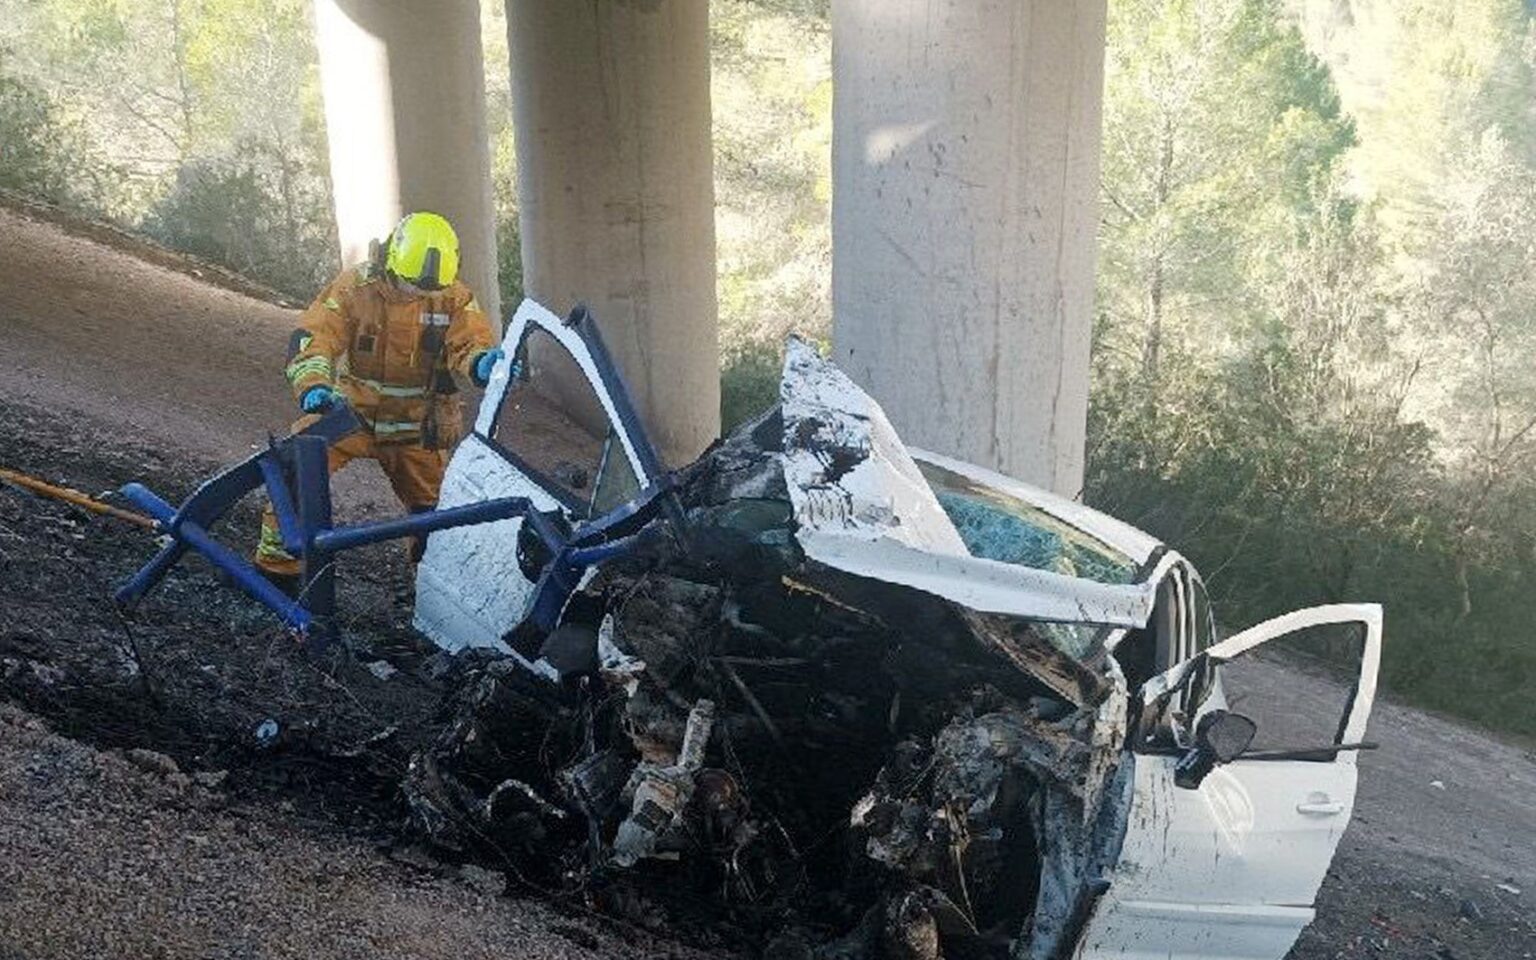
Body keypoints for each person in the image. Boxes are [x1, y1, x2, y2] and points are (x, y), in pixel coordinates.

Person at [255, 211, 502, 587]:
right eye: (409, 285)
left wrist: (482, 364)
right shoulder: (355, 289)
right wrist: (314, 386)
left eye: (427, 290)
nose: (417, 294)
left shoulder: (453, 298)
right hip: (350, 415)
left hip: (418, 427)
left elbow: (470, 343)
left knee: (436, 516)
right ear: (390, 260)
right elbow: (314, 337)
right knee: (297, 469)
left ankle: (431, 588)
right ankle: (277, 575)